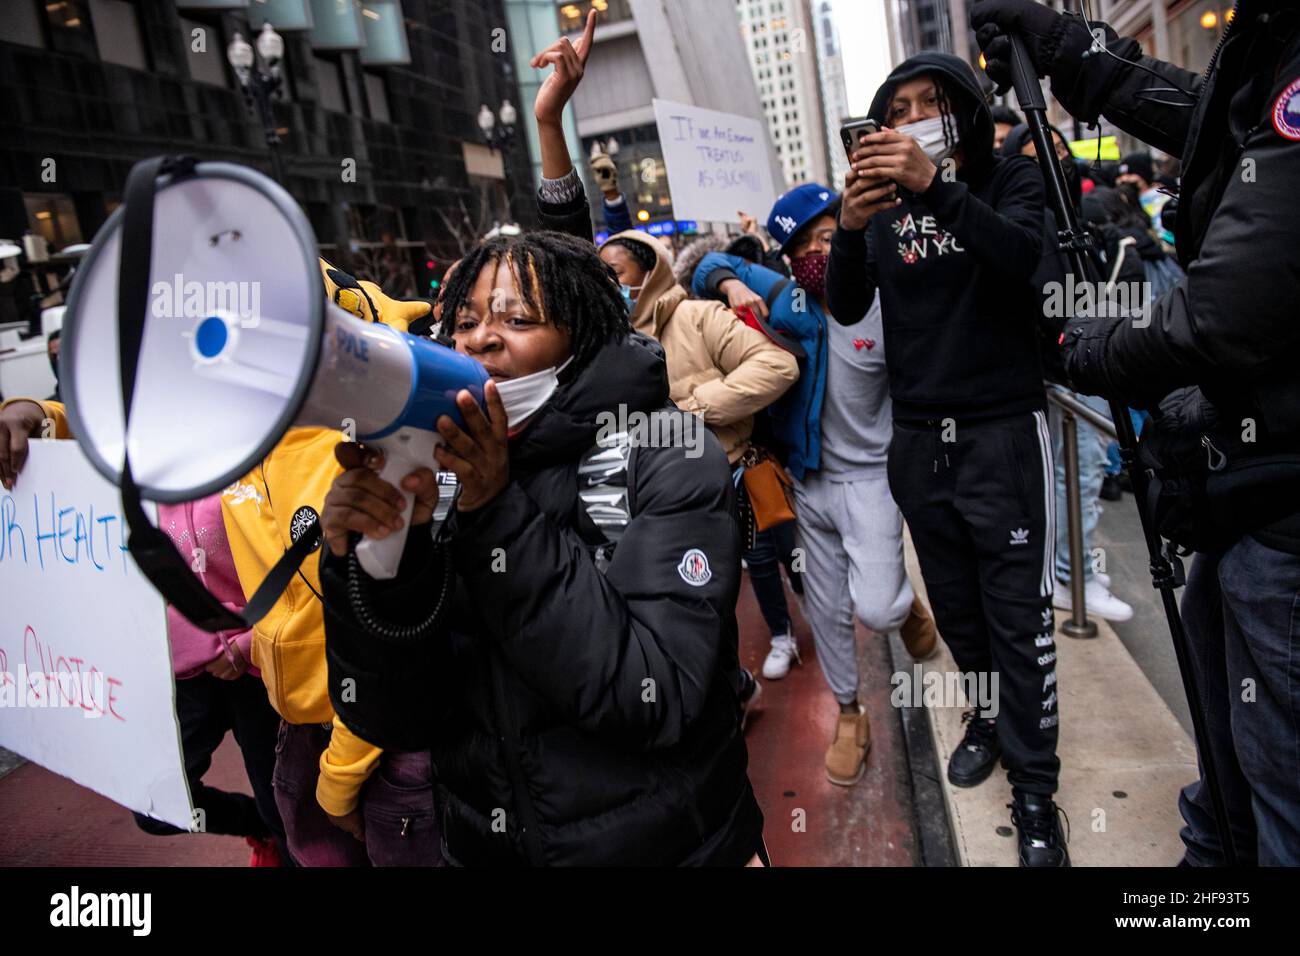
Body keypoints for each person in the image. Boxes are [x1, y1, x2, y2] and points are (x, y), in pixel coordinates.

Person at [317, 230, 766, 866]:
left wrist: (498, 512)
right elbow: (398, 721)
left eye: (518, 318)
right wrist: (379, 567)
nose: (480, 339)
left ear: (582, 335)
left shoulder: (669, 452)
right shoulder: (435, 478)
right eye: (465, 321)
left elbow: (654, 695)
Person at [974, 0, 1300, 866]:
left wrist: (1101, 350)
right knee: (1227, 771)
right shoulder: (1269, 47)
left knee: (1279, 789)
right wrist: (1081, 57)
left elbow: (1228, 313)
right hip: (1250, 489)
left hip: (1285, 517)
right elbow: (1219, 123)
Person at [827, 53, 1068, 866]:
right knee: (960, 614)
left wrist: (938, 185)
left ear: (964, 110)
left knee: (1018, 621)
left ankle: (1037, 796)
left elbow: (1029, 267)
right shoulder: (882, 206)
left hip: (1001, 431)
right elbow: (848, 302)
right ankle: (988, 717)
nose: (916, 115)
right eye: (899, 108)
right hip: (920, 442)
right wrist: (853, 229)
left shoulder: (1009, 182)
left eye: (933, 102)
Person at [693, 184, 939, 788]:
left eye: (827, 234)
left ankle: (904, 609)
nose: (815, 250)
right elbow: (705, 264)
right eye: (800, 242)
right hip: (805, 481)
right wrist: (730, 283)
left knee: (878, 607)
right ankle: (851, 714)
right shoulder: (787, 300)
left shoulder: (888, 302)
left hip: (873, 478)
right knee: (824, 608)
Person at [598, 228, 799, 722]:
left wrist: (692, 410)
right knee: (688, 600)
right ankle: (728, 686)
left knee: (765, 559)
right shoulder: (601, 345)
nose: (608, 285)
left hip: (728, 475)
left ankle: (782, 636)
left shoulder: (698, 316)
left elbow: (776, 365)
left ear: (649, 273)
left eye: (616, 274)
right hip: (651, 499)